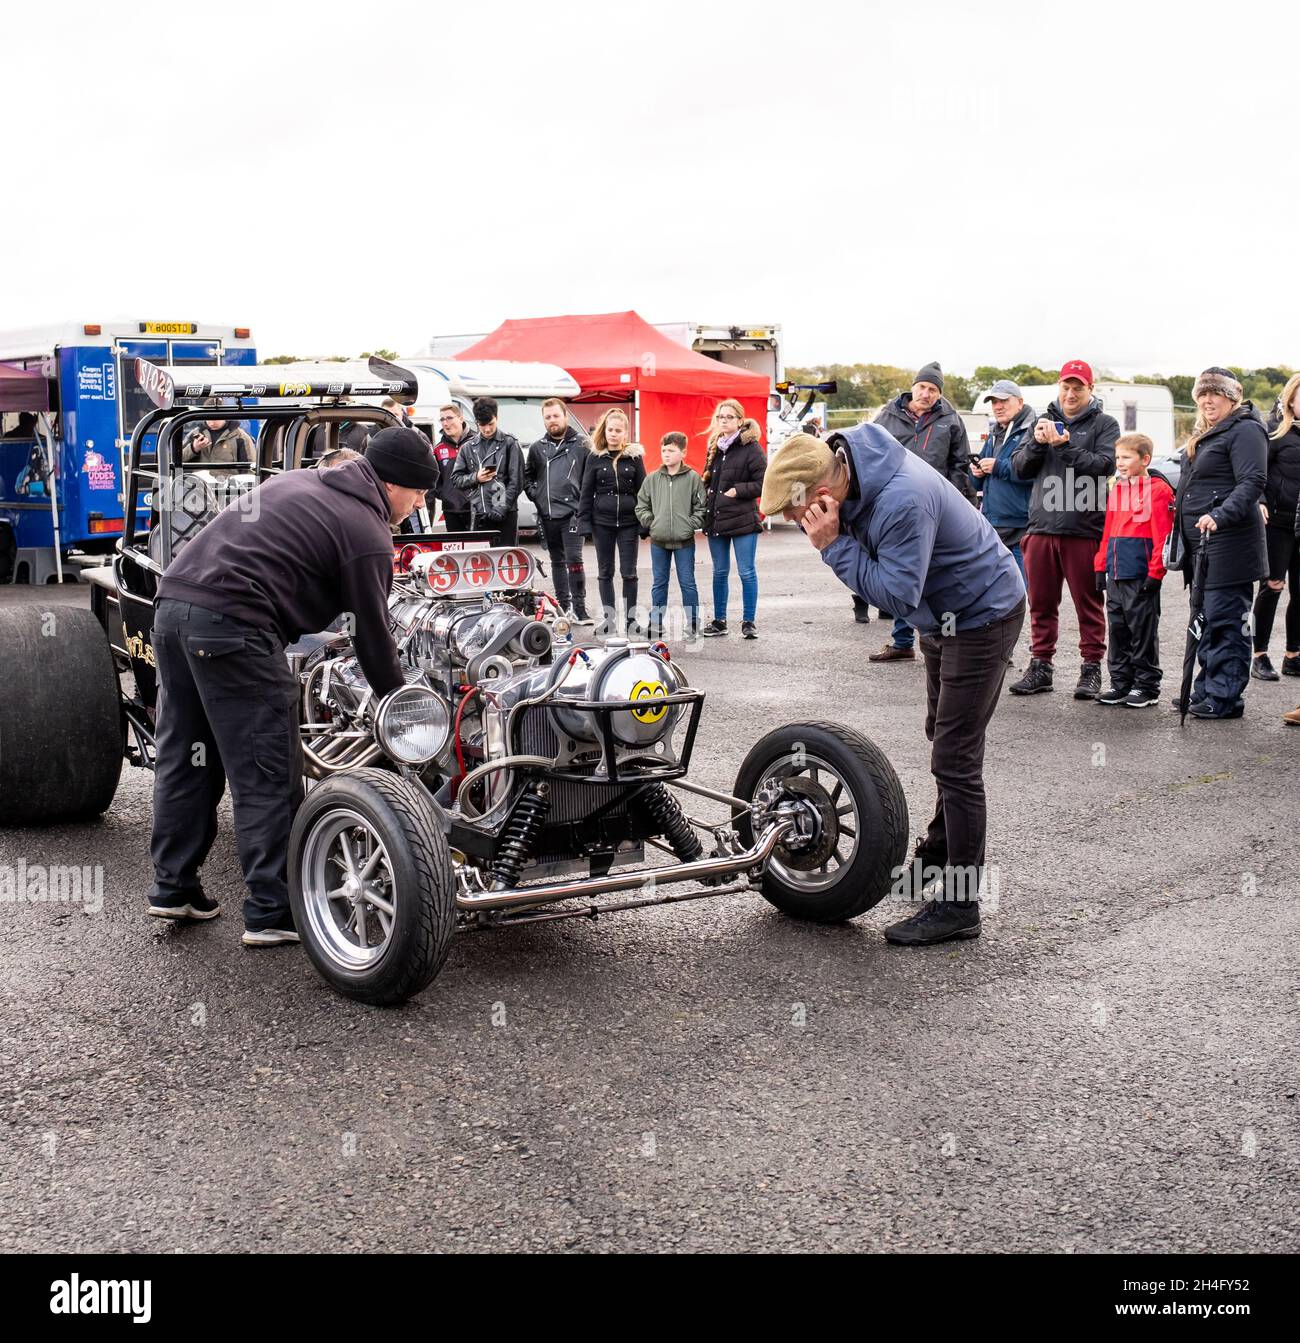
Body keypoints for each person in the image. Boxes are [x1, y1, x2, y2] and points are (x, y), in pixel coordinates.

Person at [147, 427, 436, 945]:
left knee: (188, 755)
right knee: (268, 767)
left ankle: (173, 889)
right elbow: (373, 638)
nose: (420, 504)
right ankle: (272, 909)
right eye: (419, 491)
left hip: (172, 610)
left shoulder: (307, 481)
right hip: (234, 624)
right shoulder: (368, 532)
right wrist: (402, 706)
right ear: (396, 484)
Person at [762, 431, 1025, 947]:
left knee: (956, 760)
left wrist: (833, 546)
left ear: (820, 493)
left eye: (796, 515)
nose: (797, 525)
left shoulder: (900, 500)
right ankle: (932, 861)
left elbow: (897, 595)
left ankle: (960, 905)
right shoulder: (854, 472)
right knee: (944, 740)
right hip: (944, 617)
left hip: (982, 614)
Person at [1008, 359, 1119, 700]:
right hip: (1041, 527)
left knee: (1089, 604)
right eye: (1066, 387)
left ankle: (1091, 669)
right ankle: (1041, 666)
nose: (1071, 394)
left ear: (1091, 390)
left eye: (1078, 387)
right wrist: (1039, 443)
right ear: (1059, 387)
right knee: (1040, 603)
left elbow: (1103, 467)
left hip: (1083, 528)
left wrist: (1063, 446)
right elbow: (1019, 469)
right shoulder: (1042, 422)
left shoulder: (1105, 424)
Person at [1172, 367, 1268, 720]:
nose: (1207, 400)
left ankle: (1224, 696)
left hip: (1230, 543)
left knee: (1228, 621)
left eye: (1215, 394)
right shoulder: (1208, 432)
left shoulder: (1246, 429)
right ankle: (1206, 688)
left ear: (1232, 397)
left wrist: (1221, 515)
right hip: (1202, 545)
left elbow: (1253, 480)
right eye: (1202, 394)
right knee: (1207, 619)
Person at [868, 361, 975, 661]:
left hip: (937, 507)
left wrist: (957, 499)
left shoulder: (951, 420)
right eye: (922, 387)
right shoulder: (886, 416)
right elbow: (869, 456)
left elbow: (959, 464)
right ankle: (902, 641)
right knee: (904, 571)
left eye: (933, 389)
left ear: (939, 394)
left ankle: (947, 636)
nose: (926, 393)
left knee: (941, 574)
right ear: (912, 387)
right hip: (895, 507)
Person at [1092, 434, 1174, 707]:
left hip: (1140, 575)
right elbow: (1108, 531)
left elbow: (1162, 537)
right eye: (1117, 458)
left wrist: (1155, 574)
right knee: (1118, 630)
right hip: (1116, 572)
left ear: (1145, 460)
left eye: (1126, 457)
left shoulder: (1159, 491)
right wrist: (1100, 565)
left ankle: (1146, 686)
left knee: (1142, 631)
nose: (1120, 463)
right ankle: (1121, 683)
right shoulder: (1118, 488)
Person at [700, 399, 766, 639]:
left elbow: (762, 483)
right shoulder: (715, 448)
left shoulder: (751, 448)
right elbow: (708, 480)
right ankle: (720, 621)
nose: (723, 421)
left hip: (743, 520)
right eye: (720, 417)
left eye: (729, 417)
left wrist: (738, 490)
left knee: (746, 571)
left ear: (740, 420)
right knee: (719, 572)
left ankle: (749, 621)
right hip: (717, 518)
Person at [525, 398, 592, 623]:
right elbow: (528, 477)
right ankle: (563, 608)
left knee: (575, 560)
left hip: (573, 513)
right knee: (557, 562)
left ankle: (580, 609)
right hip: (548, 514)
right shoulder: (537, 448)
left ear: (565, 416)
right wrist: (538, 496)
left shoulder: (583, 444)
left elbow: (590, 478)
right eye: (548, 417)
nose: (552, 420)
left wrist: (583, 504)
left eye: (556, 415)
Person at [578, 408, 645, 635]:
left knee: (629, 572)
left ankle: (631, 620)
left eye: (618, 430)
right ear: (604, 431)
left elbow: (643, 493)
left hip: (629, 523)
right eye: (610, 430)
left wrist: (644, 523)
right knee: (605, 572)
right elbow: (586, 492)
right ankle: (609, 620)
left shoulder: (635, 458)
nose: (614, 434)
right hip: (602, 523)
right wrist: (583, 522)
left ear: (625, 433)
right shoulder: (594, 458)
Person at [1251, 372, 1300, 681]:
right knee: (1272, 587)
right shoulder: (1272, 432)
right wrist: (1259, 500)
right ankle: (1259, 654)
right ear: (1290, 398)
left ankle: (1293, 655)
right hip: (1277, 522)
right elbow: (1256, 472)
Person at [636, 431, 705, 638]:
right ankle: (656, 622)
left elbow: (701, 507)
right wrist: (652, 523)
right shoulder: (652, 479)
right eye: (664, 450)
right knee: (659, 582)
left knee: (687, 582)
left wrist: (690, 525)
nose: (666, 454)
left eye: (671, 450)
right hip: (659, 540)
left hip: (685, 541)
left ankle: (693, 623)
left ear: (683, 453)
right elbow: (642, 506)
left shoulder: (693, 478)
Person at [969, 379, 1035, 580]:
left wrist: (997, 467)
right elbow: (977, 483)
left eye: (1004, 401)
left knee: (1022, 592)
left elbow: (1031, 472)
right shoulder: (994, 433)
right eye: (994, 402)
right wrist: (976, 472)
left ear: (1020, 402)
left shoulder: (1032, 432)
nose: (998, 407)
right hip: (994, 524)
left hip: (1022, 526)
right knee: (997, 590)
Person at [451, 396, 523, 544]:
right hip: (479, 512)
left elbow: (517, 481)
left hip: (506, 513)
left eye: (490, 423)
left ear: (497, 417)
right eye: (482, 425)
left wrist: (501, 507)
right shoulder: (468, 447)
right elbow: (456, 479)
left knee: (507, 560)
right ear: (476, 422)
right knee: (481, 562)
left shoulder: (510, 443)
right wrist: (475, 477)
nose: (487, 429)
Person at [432, 403, 475, 532]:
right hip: (451, 510)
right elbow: (434, 481)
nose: (445, 423)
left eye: (449, 418)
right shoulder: (438, 449)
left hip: (475, 508)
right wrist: (445, 494)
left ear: (461, 418)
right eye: (442, 419)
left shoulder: (476, 442)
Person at [182, 403, 254, 465]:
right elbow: (175, 460)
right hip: (198, 480)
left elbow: (251, 467)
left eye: (215, 418)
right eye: (208, 418)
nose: (211, 422)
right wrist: (194, 448)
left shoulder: (240, 436)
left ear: (224, 415)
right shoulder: (195, 434)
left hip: (229, 480)